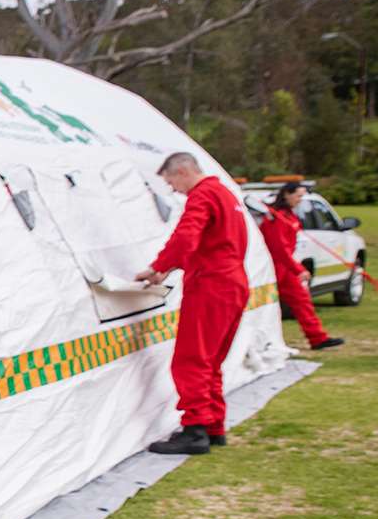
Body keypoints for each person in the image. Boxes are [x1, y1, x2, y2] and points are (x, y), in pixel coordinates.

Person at [135, 152, 252, 455]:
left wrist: (159, 267)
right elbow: (211, 242)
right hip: (233, 282)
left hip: (212, 285)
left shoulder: (203, 195)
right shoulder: (226, 194)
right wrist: (170, 268)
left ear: (184, 171)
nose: (173, 188)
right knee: (211, 360)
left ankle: (195, 430)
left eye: (171, 180)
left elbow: (186, 237)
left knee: (191, 359)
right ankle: (214, 426)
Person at [258, 182, 343, 352]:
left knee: (301, 301)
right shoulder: (277, 217)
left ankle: (317, 338)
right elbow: (279, 249)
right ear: (287, 195)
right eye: (298, 196)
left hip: (284, 267)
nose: (300, 200)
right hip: (275, 268)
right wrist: (299, 269)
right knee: (262, 306)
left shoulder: (287, 215)